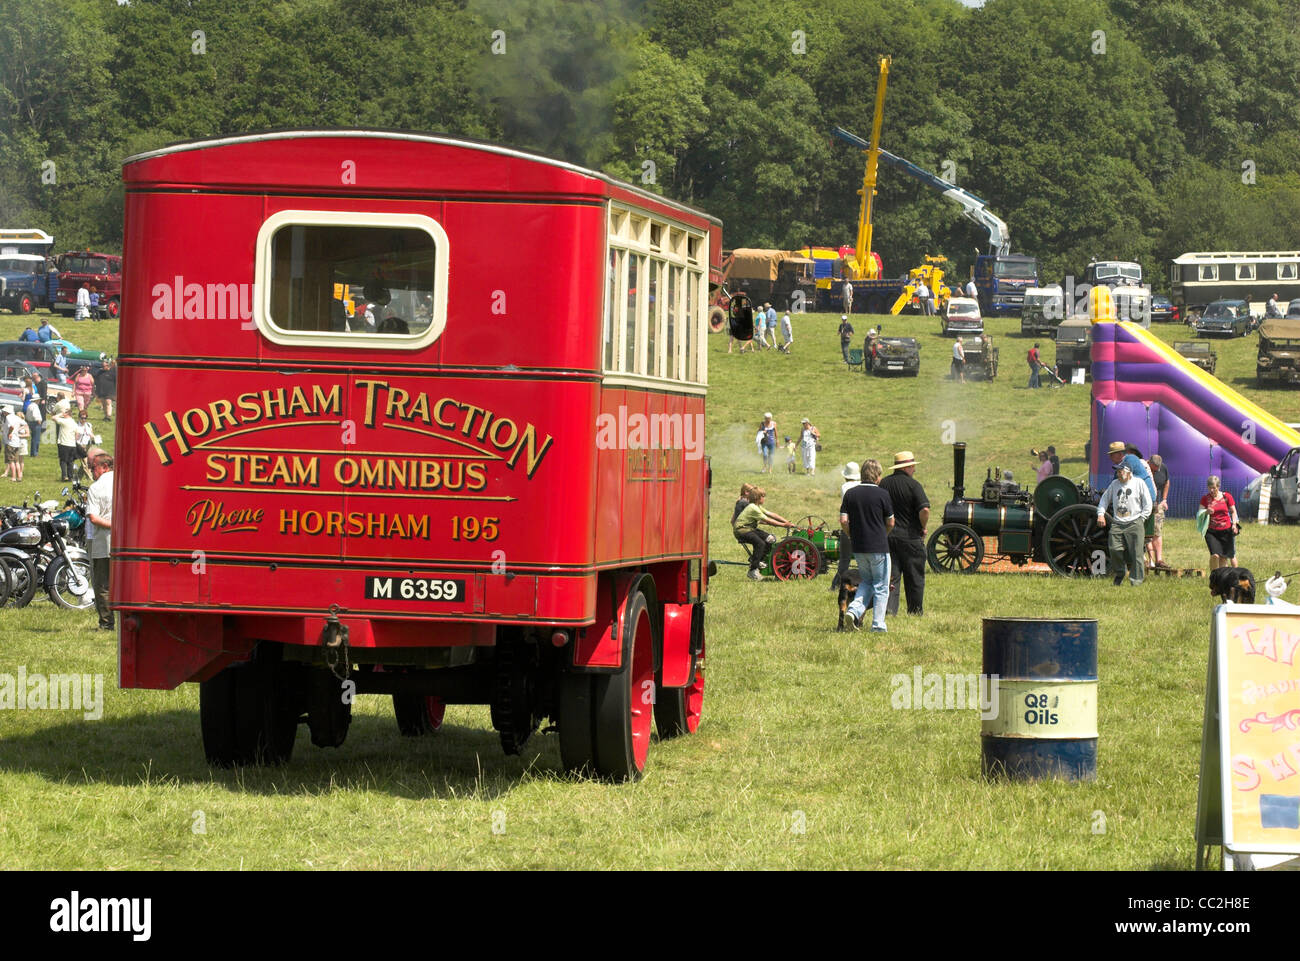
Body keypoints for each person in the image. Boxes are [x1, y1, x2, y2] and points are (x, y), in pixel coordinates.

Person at [841, 459, 894, 631]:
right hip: (878, 546)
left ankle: (854, 610)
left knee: (866, 582)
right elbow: (891, 522)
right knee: (881, 586)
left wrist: (851, 535)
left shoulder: (850, 493)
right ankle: (878, 625)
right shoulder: (883, 494)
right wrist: (883, 535)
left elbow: (843, 520)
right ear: (877, 476)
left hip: (859, 546)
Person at [881, 451, 930, 616]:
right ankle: (915, 611)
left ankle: (889, 610)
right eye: (913, 466)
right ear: (907, 466)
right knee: (914, 576)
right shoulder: (914, 485)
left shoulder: (884, 484)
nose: (914, 470)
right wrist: (923, 527)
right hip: (910, 537)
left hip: (888, 537)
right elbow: (924, 509)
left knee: (891, 576)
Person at [1097, 462, 1152, 586]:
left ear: (1128, 472)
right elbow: (1104, 500)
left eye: (1121, 471)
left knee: (1137, 554)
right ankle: (1120, 573)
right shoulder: (1114, 484)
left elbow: (1147, 503)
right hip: (1117, 523)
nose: (1118, 474)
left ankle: (1136, 581)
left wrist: (1141, 518)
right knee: (1114, 549)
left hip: (1135, 522)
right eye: (1117, 472)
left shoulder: (1139, 483)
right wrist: (1101, 514)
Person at [733, 487, 794, 581]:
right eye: (763, 496)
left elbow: (771, 514)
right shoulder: (753, 508)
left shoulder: (757, 506)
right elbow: (768, 520)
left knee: (771, 539)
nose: (764, 499)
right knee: (760, 543)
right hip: (741, 530)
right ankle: (753, 570)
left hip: (749, 528)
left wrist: (787, 522)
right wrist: (784, 525)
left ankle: (759, 560)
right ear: (758, 498)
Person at [86, 452, 115, 631]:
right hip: (127, 543)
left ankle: (106, 623)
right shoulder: (124, 482)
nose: (91, 471)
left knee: (102, 585)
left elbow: (94, 518)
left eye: (93, 468)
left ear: (104, 467)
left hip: (104, 543)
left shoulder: (96, 488)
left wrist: (114, 526)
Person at [1200, 475, 1240, 570]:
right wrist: (1206, 512)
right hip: (1211, 531)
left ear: (1218, 486)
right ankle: (1214, 577)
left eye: (1214, 488)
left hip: (1226, 530)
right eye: (1210, 488)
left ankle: (1222, 578)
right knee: (1215, 555)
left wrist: (1234, 524)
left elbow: (1233, 511)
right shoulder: (1205, 499)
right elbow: (1199, 513)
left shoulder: (1227, 497)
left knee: (1224, 558)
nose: (1212, 490)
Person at [832, 462, 861, 591]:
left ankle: (836, 585)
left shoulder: (845, 486)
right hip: (861, 526)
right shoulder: (862, 485)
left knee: (844, 559)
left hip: (848, 525)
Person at [1146, 453, 1171, 570]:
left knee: (1157, 531)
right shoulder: (1143, 469)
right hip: (1143, 506)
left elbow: (1167, 482)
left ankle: (1159, 560)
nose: (1155, 471)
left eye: (1157, 469)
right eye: (1153, 469)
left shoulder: (1163, 468)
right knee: (1146, 533)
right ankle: (1148, 560)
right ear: (1149, 463)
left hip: (1157, 505)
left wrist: (1164, 499)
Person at [52, 400, 79, 482]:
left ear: (66, 414)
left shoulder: (64, 421)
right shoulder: (74, 423)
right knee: (70, 462)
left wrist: (61, 414)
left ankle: (64, 476)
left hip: (64, 444)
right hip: (72, 445)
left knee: (63, 461)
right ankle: (70, 477)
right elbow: (77, 434)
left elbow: (53, 418)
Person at [3, 405, 30, 482]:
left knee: (11, 461)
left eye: (4, 411)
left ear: (7, 412)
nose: (4, 413)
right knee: (17, 461)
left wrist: (9, 433)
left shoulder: (8, 417)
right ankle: (19, 476)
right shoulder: (17, 417)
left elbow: (11, 427)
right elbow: (25, 424)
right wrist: (19, 428)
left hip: (10, 442)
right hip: (17, 442)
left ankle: (13, 477)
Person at [21, 377, 43, 458]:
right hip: (36, 423)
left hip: (30, 421)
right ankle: (35, 453)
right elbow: (35, 415)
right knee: (36, 439)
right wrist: (38, 420)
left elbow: (27, 414)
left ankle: (33, 453)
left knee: (34, 439)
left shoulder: (30, 405)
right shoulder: (35, 406)